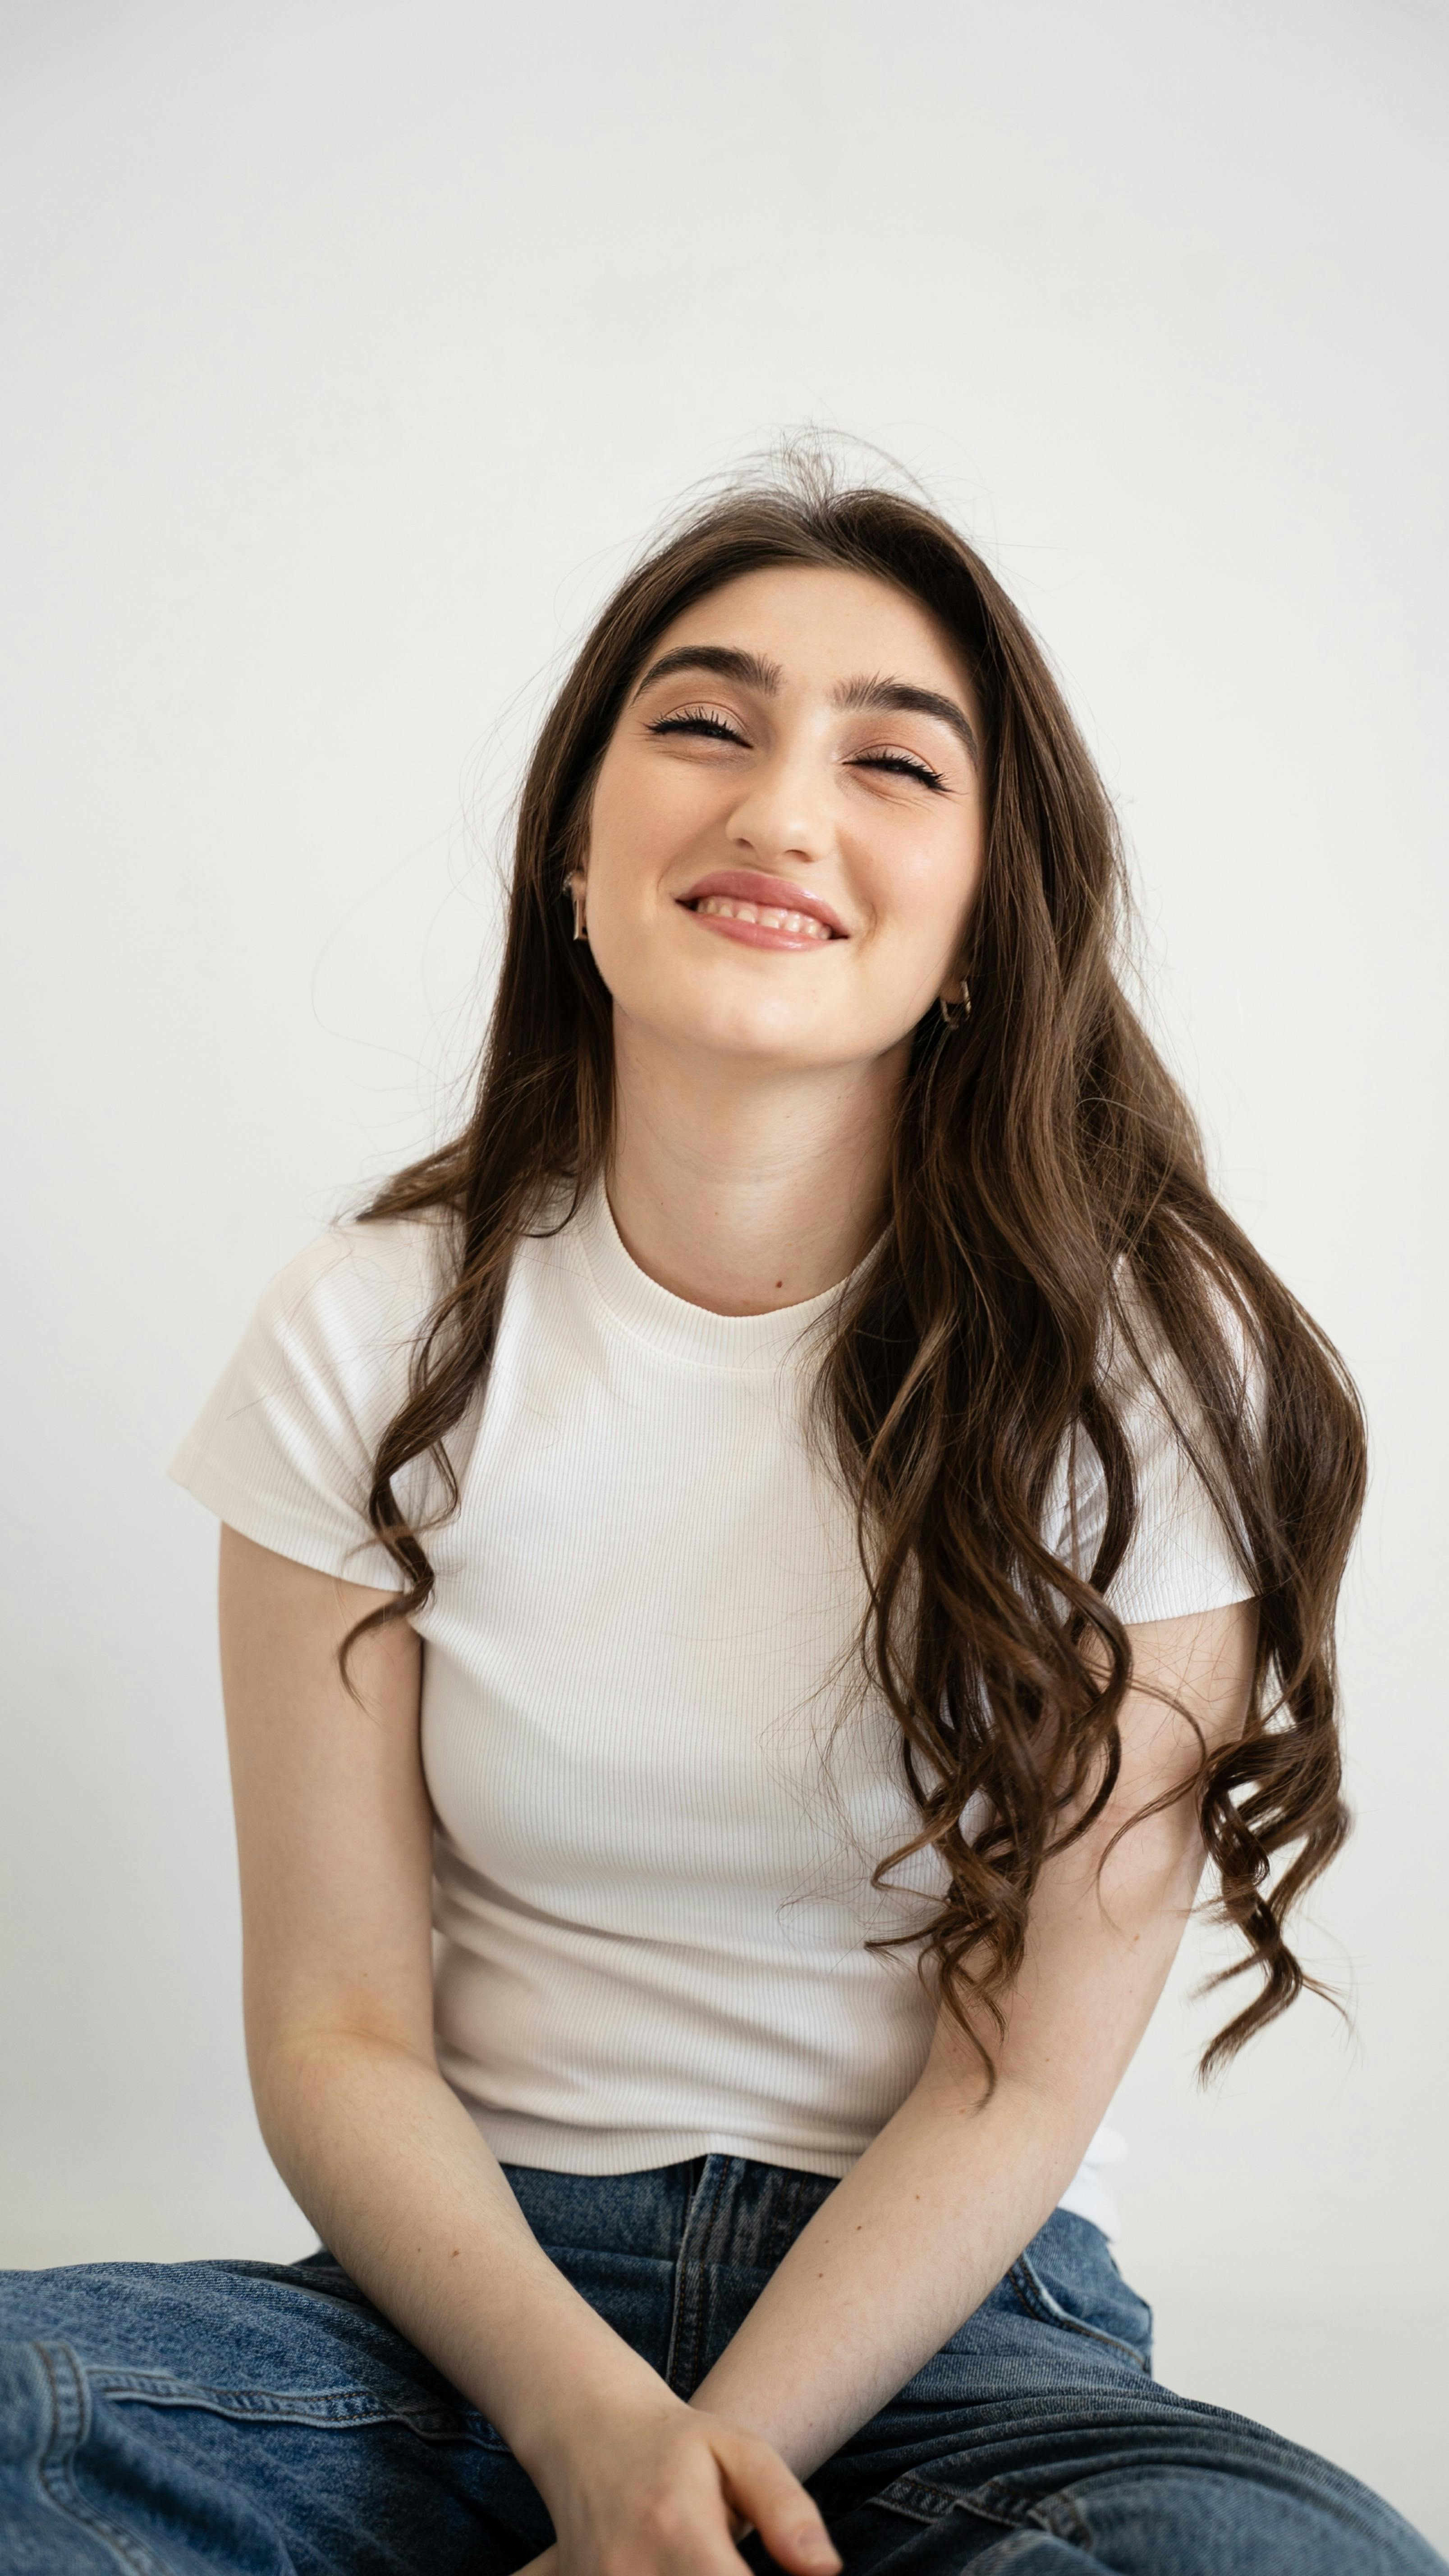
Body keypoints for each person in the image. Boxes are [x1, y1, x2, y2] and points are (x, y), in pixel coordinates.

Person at [2, 454, 1440, 2576]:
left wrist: (705, 2492)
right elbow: (335, 2028)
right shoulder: (368, 1329)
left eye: (892, 762)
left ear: (978, 925)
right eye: (703, 722)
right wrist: (594, 2441)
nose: (780, 808)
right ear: (572, 861)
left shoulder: (1141, 1371)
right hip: (467, 2331)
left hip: (964, 2339)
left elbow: (1018, 2088)